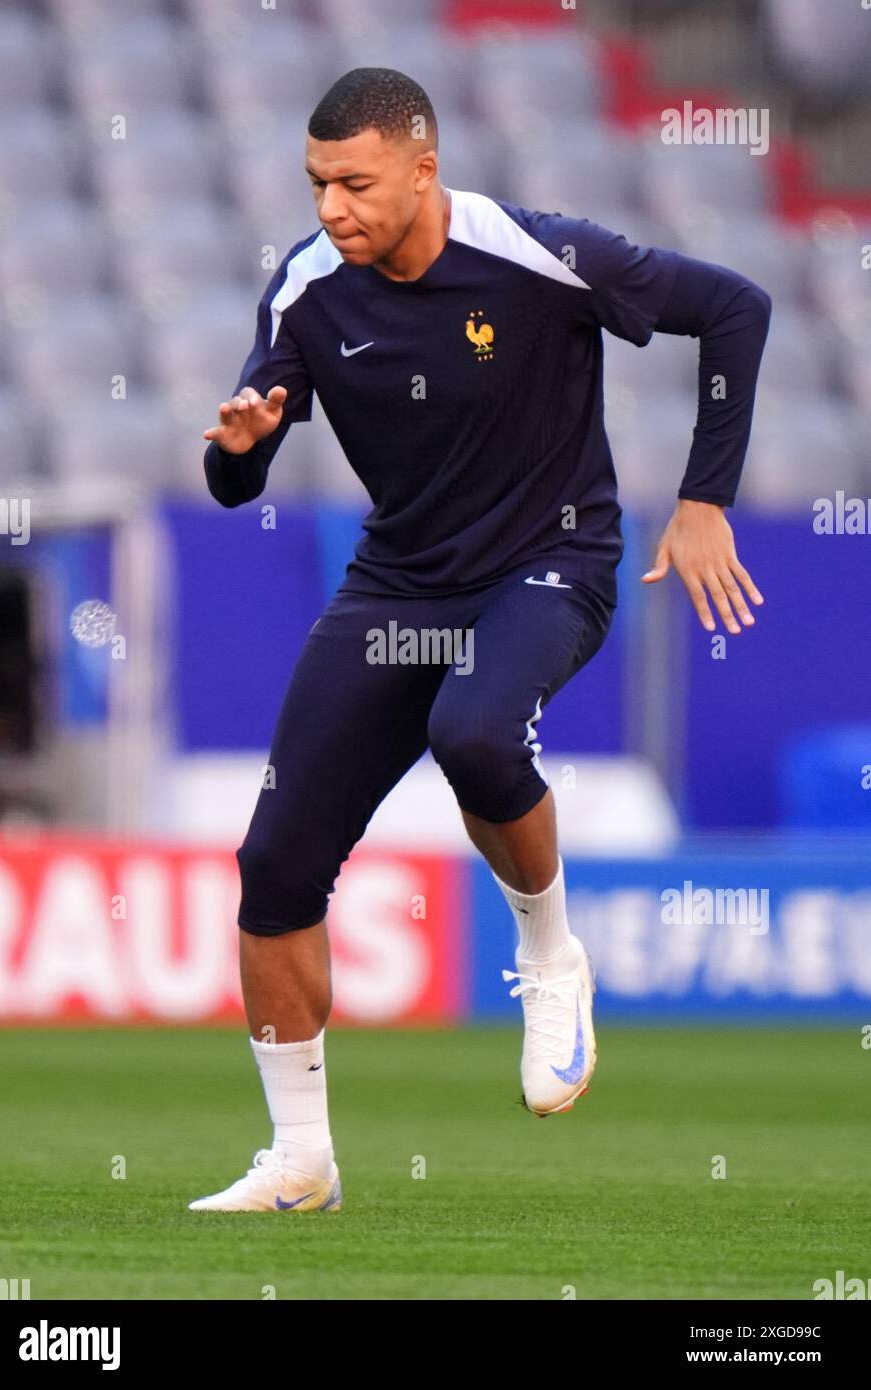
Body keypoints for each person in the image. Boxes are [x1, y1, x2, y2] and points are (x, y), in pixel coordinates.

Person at [189, 68, 771, 1214]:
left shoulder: (543, 254)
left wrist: (703, 498)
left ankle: (549, 956)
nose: (331, 209)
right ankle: (301, 1159)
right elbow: (226, 478)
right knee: (273, 866)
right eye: (315, 185)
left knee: (473, 730)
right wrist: (242, 448)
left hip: (548, 565)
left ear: (421, 167)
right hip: (397, 585)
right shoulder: (306, 291)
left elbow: (735, 307)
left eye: (354, 183)